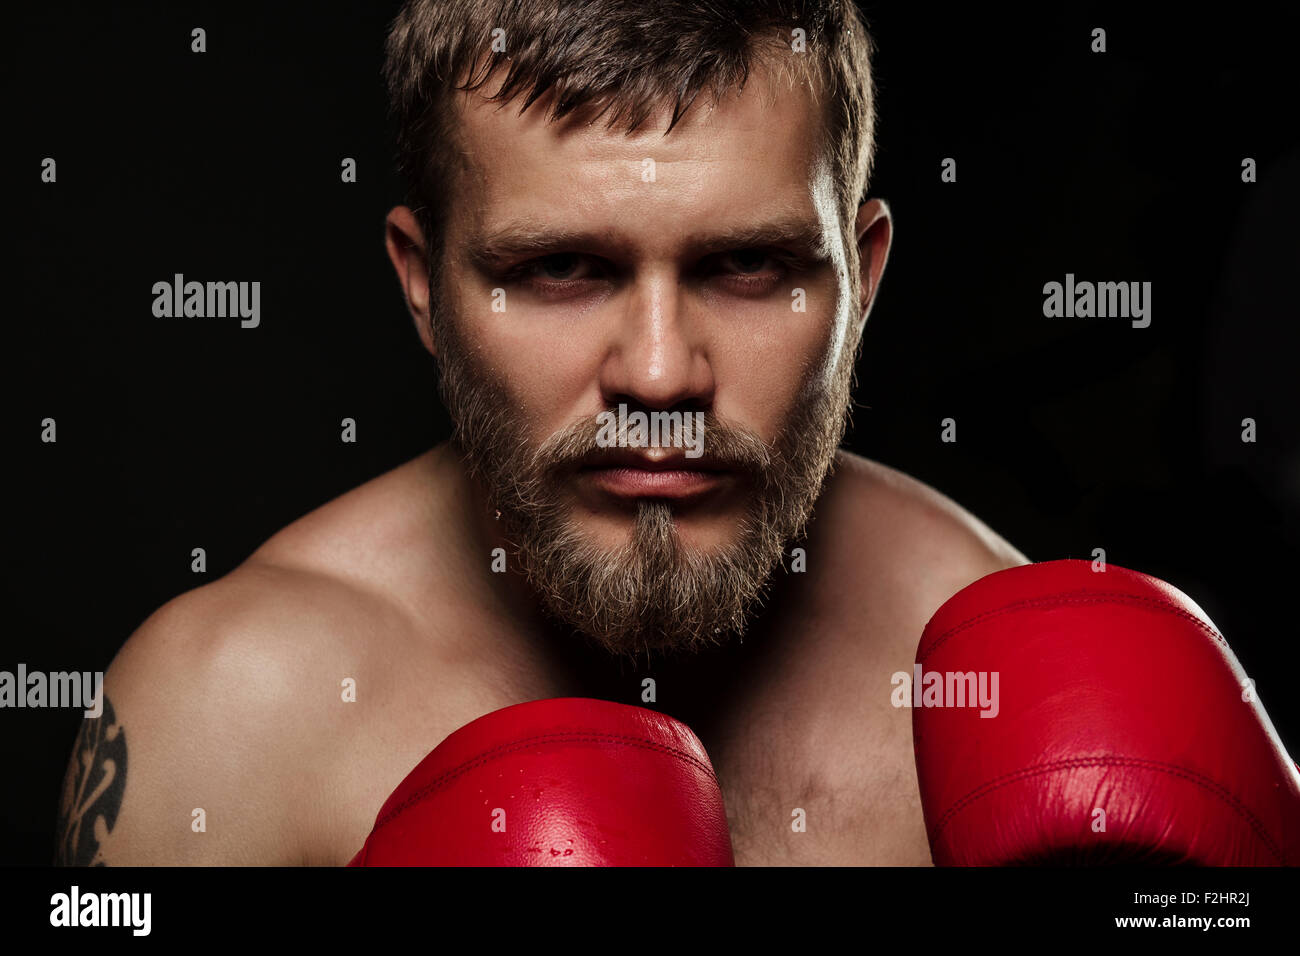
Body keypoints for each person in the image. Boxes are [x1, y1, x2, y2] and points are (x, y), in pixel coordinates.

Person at [70, 0, 1230, 867]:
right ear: (422, 287)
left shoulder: (1003, 690)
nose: (661, 374)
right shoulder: (225, 710)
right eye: (562, 268)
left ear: (861, 278)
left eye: (748, 265)